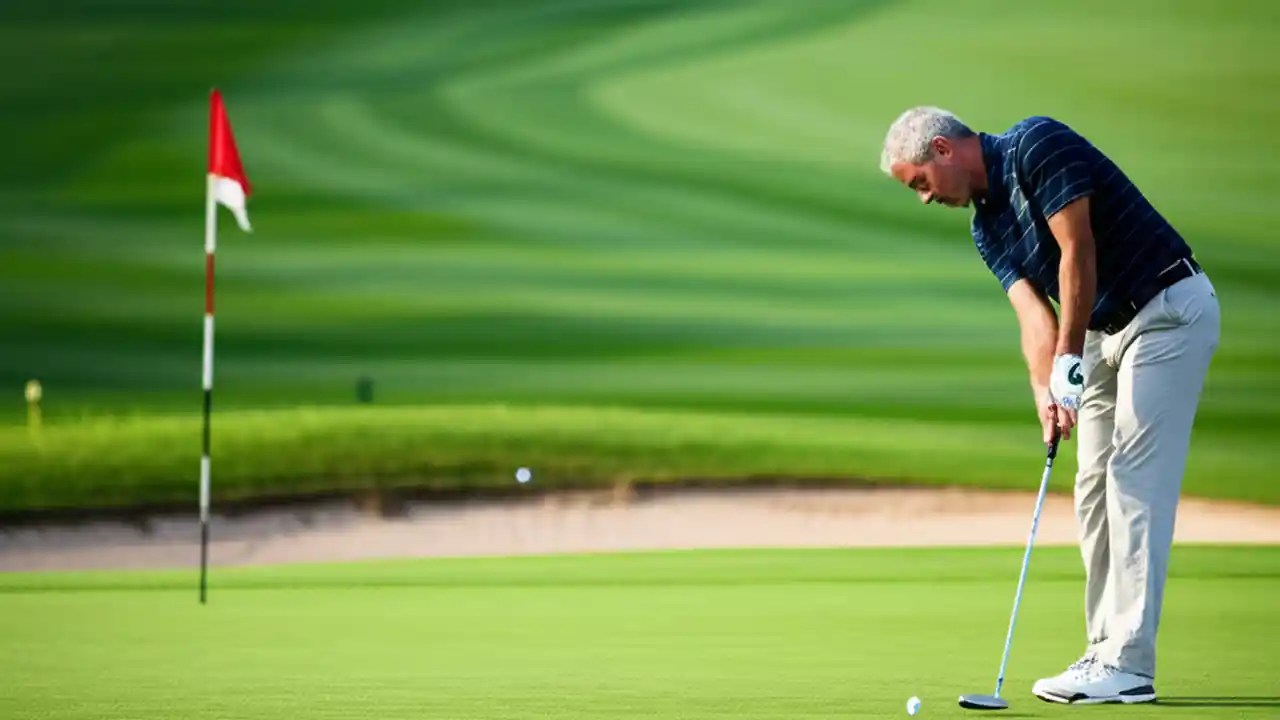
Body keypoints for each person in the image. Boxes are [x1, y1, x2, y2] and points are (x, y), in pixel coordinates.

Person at [878, 107, 1220, 705]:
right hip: (1101, 333)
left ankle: (1131, 663)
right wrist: (1046, 392)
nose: (924, 199)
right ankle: (1103, 649)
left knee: (1132, 479)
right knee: (1090, 484)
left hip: (1167, 311)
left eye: (920, 184)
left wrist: (1068, 361)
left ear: (942, 150)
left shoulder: (1036, 144)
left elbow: (1076, 251)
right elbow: (1034, 316)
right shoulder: (986, 229)